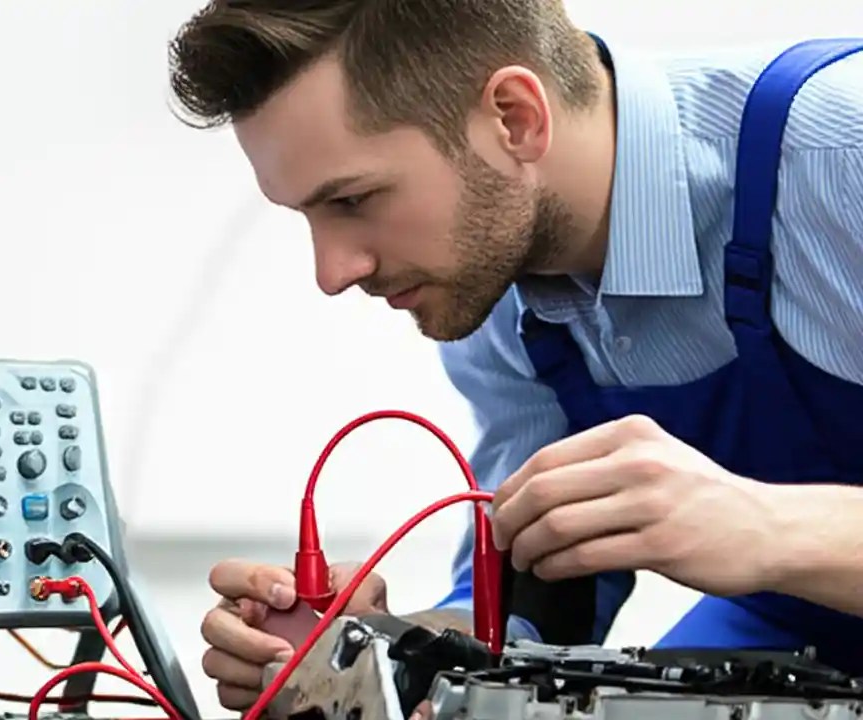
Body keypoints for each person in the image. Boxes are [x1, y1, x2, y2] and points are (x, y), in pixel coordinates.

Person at [164, 0, 863, 710]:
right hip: (796, 628)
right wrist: (372, 652)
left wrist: (775, 530)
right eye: (307, 216)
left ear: (515, 119)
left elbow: (764, 534)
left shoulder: (843, 156)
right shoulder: (495, 288)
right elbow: (533, 609)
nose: (333, 271)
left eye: (353, 200)